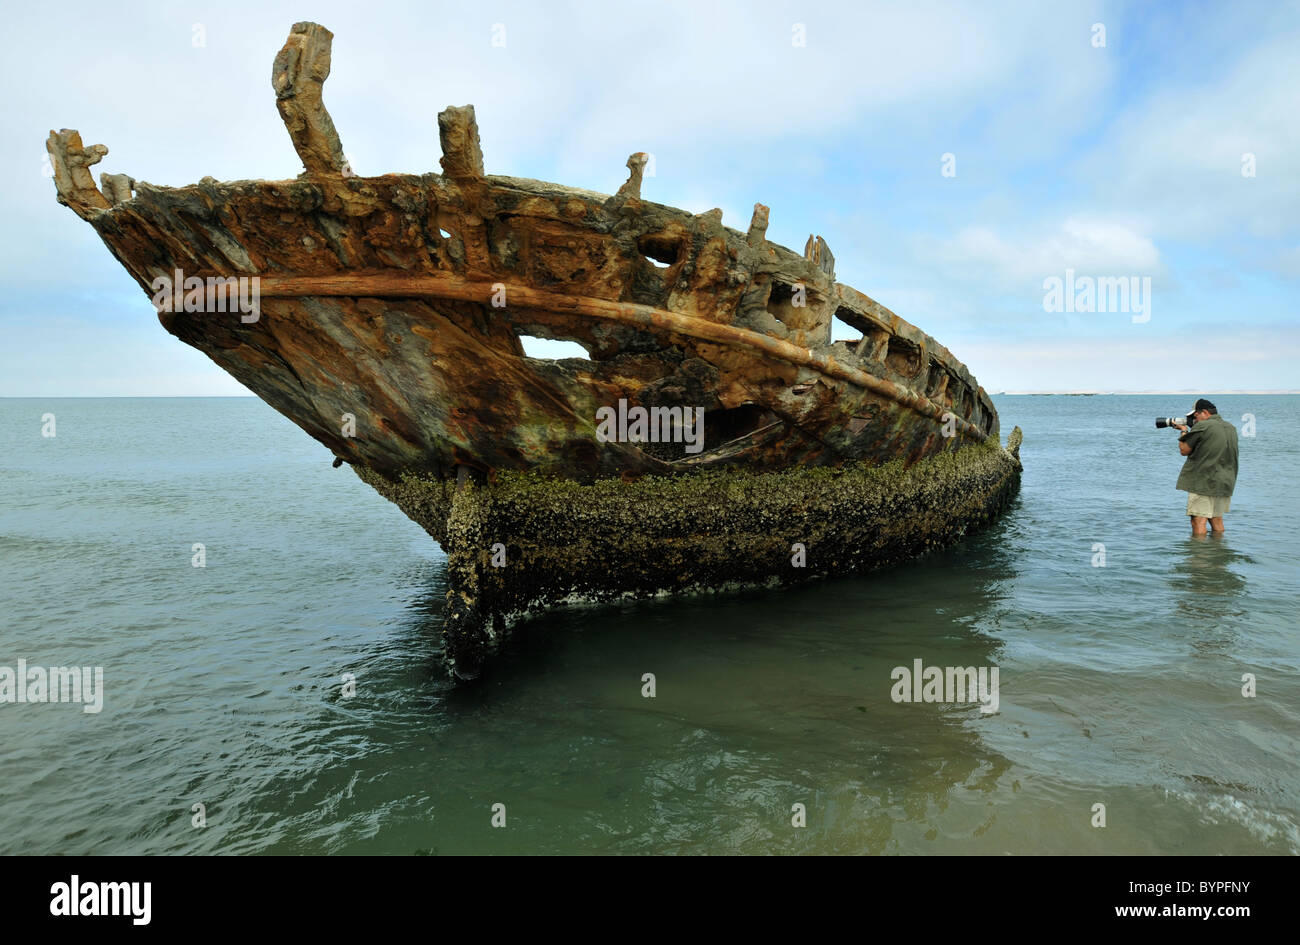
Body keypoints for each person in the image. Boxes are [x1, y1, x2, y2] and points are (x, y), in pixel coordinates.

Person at [1172, 399, 1239, 537]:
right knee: (1216, 520)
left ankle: (1200, 556)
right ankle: (1217, 551)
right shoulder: (1230, 427)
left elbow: (1184, 450)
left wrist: (1184, 431)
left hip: (1204, 481)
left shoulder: (1203, 426)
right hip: (1225, 481)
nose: (1194, 420)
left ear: (1205, 412)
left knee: (1198, 520)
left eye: (1195, 416)